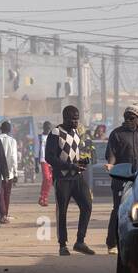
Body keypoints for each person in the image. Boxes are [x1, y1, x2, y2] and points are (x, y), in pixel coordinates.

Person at [47, 105, 95, 255]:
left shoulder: (76, 133)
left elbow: (73, 153)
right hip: (62, 178)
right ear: (65, 118)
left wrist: (81, 161)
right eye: (73, 119)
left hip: (76, 177)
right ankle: (63, 245)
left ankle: (80, 241)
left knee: (87, 205)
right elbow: (50, 157)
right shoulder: (55, 133)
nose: (76, 122)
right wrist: (70, 165)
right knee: (62, 211)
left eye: (77, 118)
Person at [104, 105, 138, 250]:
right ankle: (111, 243)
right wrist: (110, 165)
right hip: (121, 178)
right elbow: (111, 154)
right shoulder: (116, 134)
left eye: (131, 118)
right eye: (126, 117)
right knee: (118, 209)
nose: (128, 121)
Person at [0, 121, 21, 222]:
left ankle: (1, 214)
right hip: (9, 172)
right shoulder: (12, 141)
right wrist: (15, 172)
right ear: (9, 130)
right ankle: (4, 214)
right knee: (7, 194)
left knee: (0, 194)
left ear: (0, 129)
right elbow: (13, 158)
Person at [36, 120, 54, 206]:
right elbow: (36, 150)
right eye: (46, 128)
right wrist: (36, 163)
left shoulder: (54, 137)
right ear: (43, 128)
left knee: (49, 180)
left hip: (52, 161)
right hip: (43, 160)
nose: (48, 130)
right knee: (47, 178)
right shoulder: (39, 137)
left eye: (49, 128)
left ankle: (43, 198)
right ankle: (43, 197)